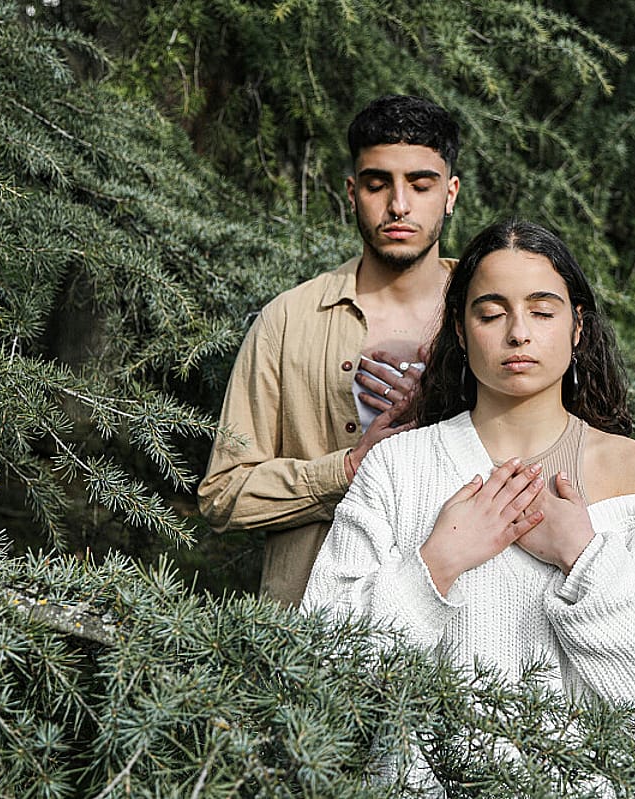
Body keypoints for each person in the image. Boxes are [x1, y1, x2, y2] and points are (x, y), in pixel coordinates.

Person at [303, 219, 635, 732]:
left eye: (542, 311)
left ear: (578, 326)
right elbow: (320, 663)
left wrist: (585, 558)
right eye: (492, 313)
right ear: (459, 329)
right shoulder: (398, 466)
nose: (518, 331)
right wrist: (437, 563)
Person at [198, 95, 461, 606]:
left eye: (421, 185)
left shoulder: (489, 317)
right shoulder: (289, 320)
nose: (399, 205)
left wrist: (447, 408)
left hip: (458, 637)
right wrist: (345, 471)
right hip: (313, 637)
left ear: (450, 193)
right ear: (351, 191)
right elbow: (224, 494)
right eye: (377, 183)